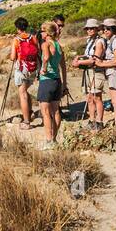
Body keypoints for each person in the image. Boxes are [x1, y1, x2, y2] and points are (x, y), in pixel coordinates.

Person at [36, 20, 68, 148]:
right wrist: (64, 84)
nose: (41, 33)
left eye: (42, 30)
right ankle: (54, 139)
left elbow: (46, 57)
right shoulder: (59, 46)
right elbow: (63, 67)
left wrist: (43, 67)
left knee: (45, 112)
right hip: (57, 81)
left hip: (47, 80)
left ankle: (49, 141)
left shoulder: (45, 44)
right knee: (55, 111)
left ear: (47, 32)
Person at [71, 18, 106, 128]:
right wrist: (79, 57)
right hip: (89, 71)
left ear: (97, 29)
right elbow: (89, 56)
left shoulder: (99, 41)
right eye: (88, 28)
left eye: (92, 28)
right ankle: (91, 121)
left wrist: (79, 62)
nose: (89, 30)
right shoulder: (90, 40)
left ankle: (99, 122)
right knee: (90, 98)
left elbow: (94, 59)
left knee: (97, 97)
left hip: (96, 72)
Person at [94, 19, 116, 130]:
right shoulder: (113, 40)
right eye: (104, 29)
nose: (105, 31)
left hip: (115, 72)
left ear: (113, 29)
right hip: (115, 73)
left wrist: (101, 63)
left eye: (108, 28)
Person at [10, 17, 40, 128]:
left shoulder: (16, 39)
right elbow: (38, 52)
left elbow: (13, 57)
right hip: (32, 69)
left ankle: (26, 121)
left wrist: (13, 56)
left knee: (22, 94)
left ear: (18, 28)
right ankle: (30, 112)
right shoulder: (33, 38)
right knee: (26, 91)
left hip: (22, 69)